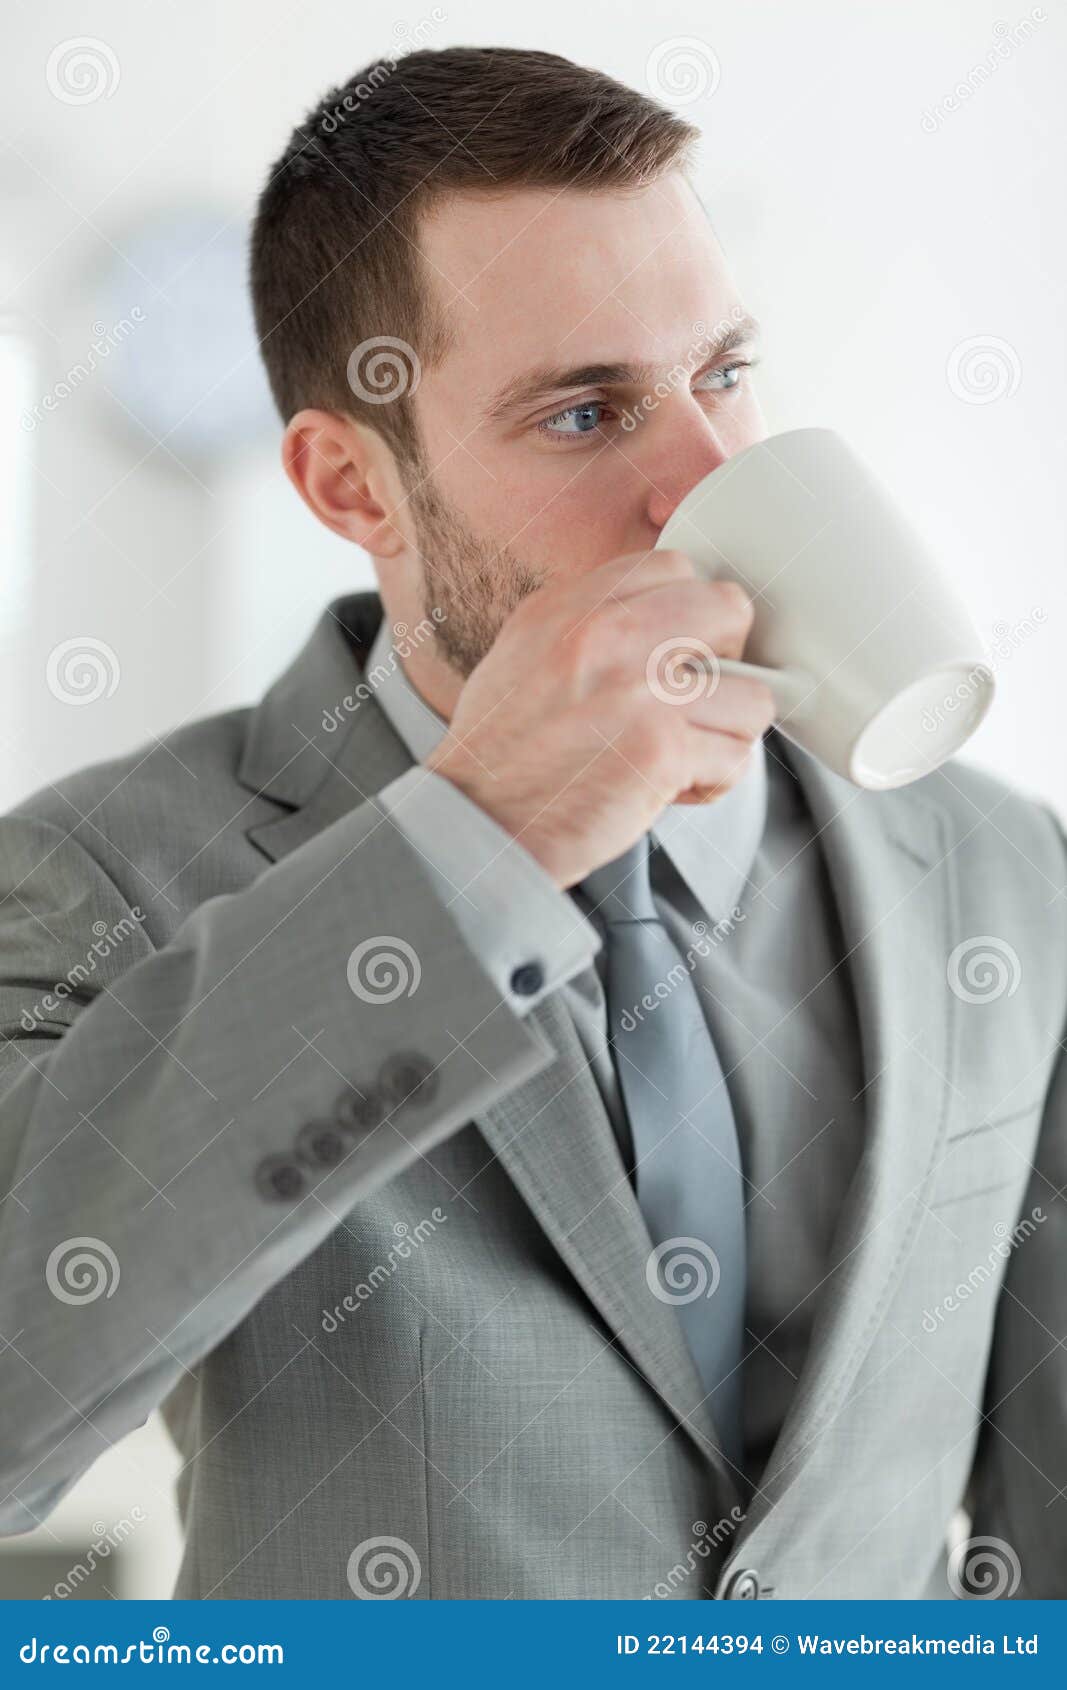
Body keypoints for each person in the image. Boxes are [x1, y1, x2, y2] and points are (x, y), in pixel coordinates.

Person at [1, 45, 1064, 1601]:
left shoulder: (1000, 865)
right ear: (352, 485)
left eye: (721, 373)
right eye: (584, 413)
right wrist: (474, 837)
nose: (704, 474)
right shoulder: (109, 869)